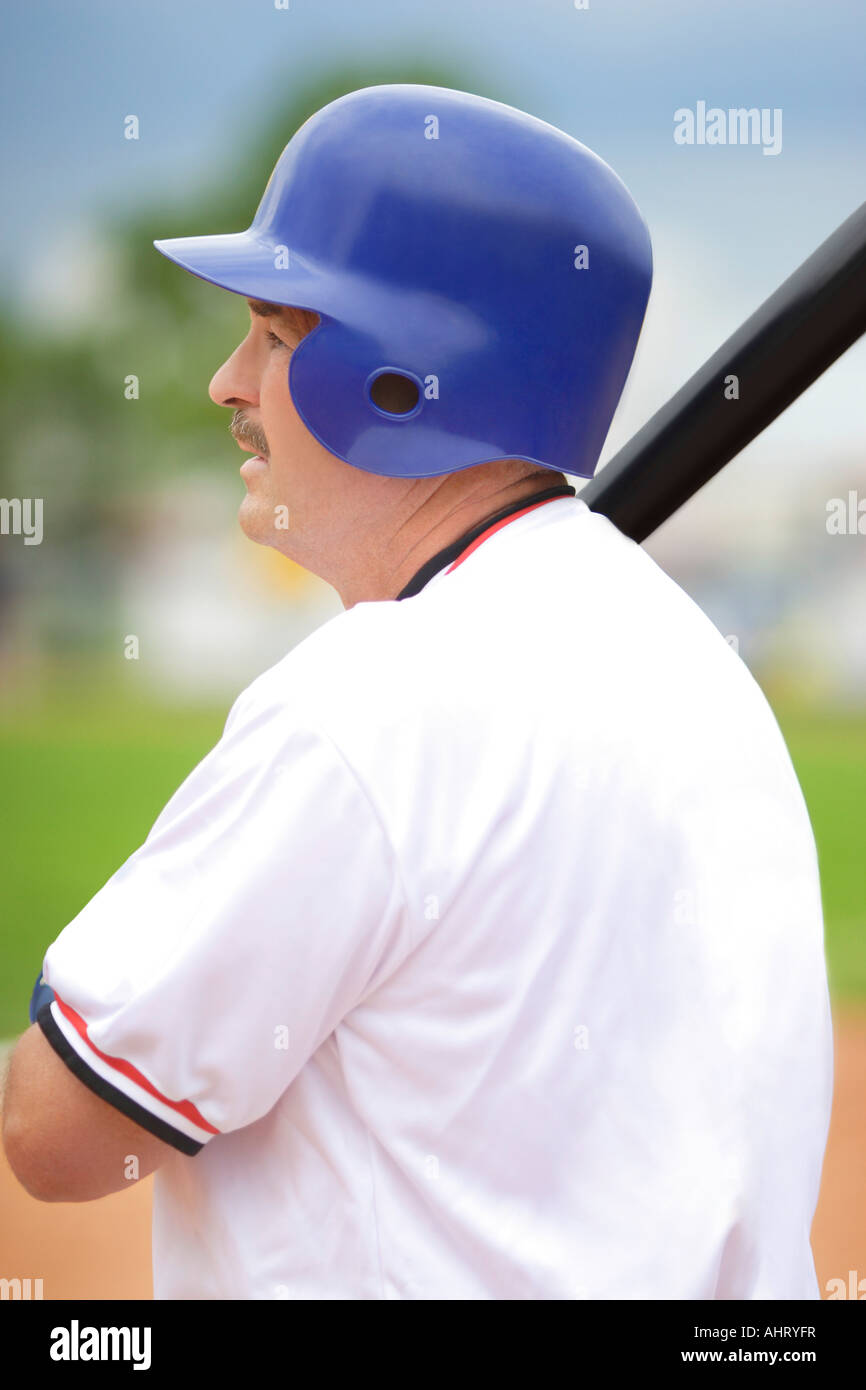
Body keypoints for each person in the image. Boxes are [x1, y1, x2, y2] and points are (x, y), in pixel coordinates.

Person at [2, 84, 832, 1300]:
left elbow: (57, 1135)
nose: (227, 384)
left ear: (400, 378)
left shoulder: (369, 704)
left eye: (277, 336)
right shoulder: (707, 679)